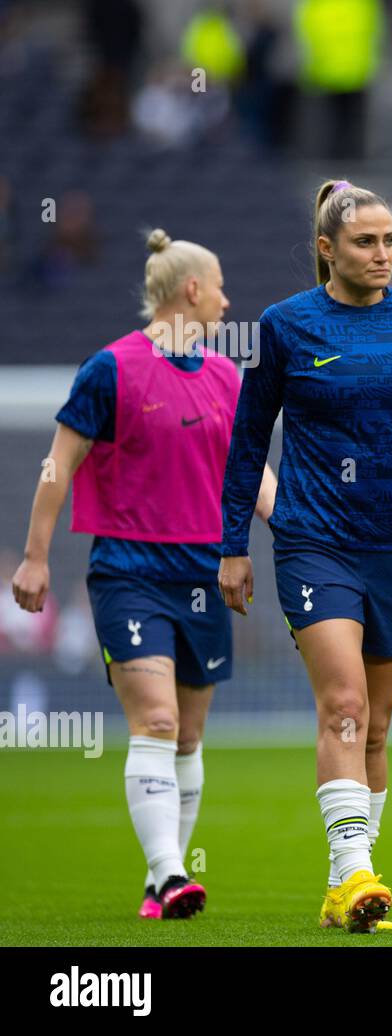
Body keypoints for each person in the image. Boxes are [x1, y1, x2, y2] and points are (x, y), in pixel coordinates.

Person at [218, 179, 392, 934]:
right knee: (342, 705)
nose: (381, 255)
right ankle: (355, 873)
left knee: (376, 727)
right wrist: (232, 550)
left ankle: (349, 883)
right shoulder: (285, 327)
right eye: (364, 242)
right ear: (326, 249)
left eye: (389, 241)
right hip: (314, 540)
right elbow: (248, 442)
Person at [11, 229, 276, 920]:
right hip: (129, 571)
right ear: (191, 289)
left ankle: (164, 884)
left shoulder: (226, 377)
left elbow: (254, 480)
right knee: (155, 720)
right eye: (219, 286)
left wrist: (307, 537)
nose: (227, 300)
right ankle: (166, 875)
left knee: (187, 736)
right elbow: (57, 466)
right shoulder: (110, 370)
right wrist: (35, 556)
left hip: (206, 575)